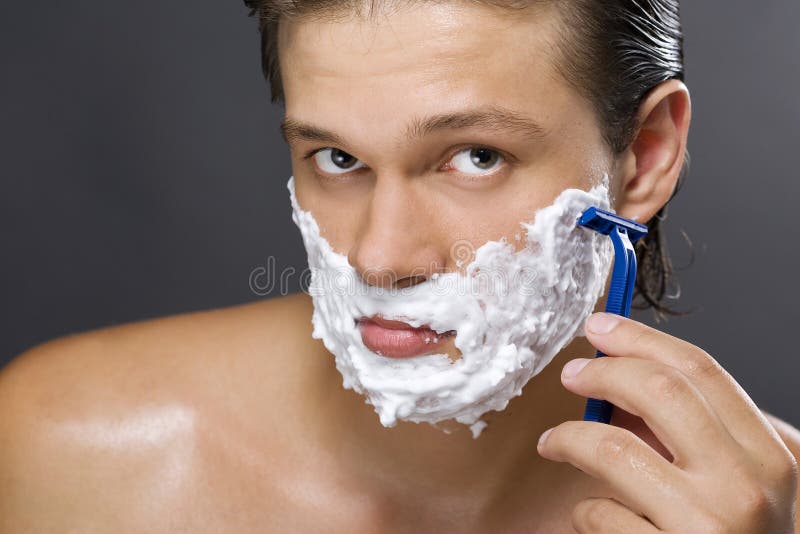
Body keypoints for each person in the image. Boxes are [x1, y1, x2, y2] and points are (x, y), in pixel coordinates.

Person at [1, 0, 798, 531]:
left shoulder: (768, 508)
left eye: (476, 156)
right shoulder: (70, 451)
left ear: (645, 157)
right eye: (338, 156)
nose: (378, 256)